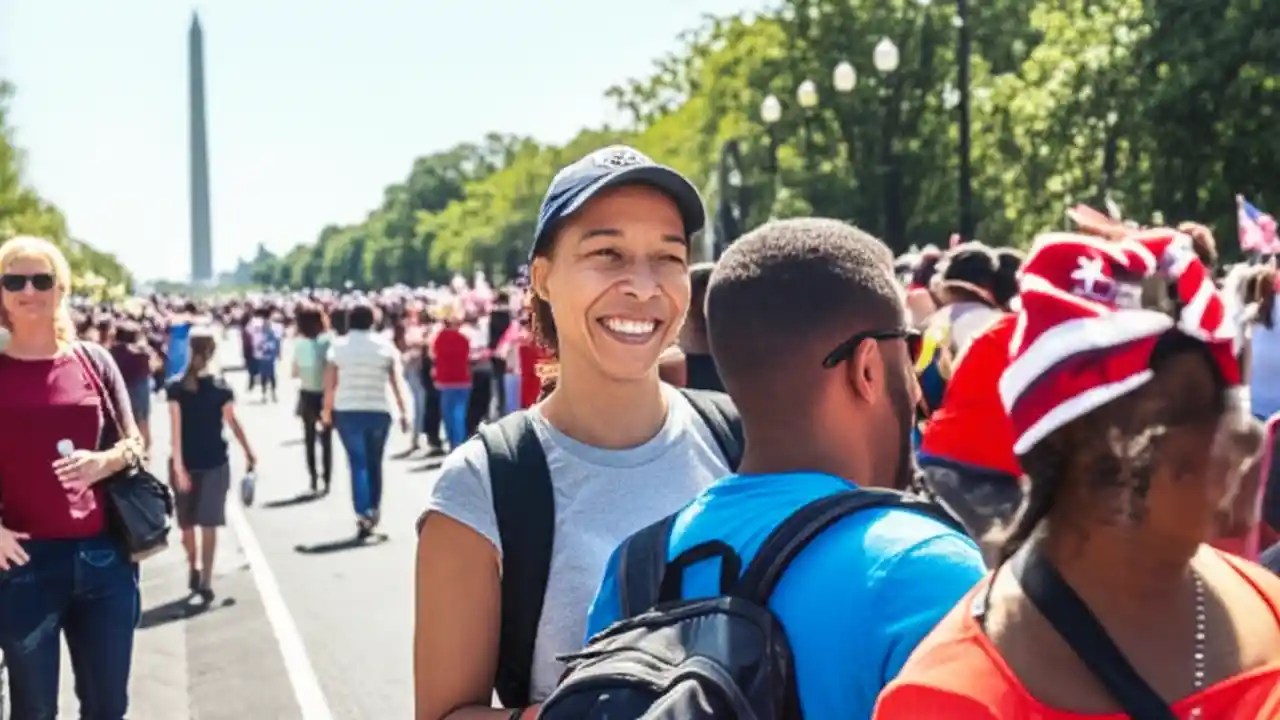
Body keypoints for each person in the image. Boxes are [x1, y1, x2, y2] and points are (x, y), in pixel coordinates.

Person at [584, 218, 986, 718]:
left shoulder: (633, 569)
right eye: (911, 348)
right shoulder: (925, 566)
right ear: (866, 367)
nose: (917, 383)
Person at [874, 230, 1280, 719]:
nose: (1246, 437)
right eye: (1196, 409)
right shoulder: (952, 701)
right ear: (1099, 454)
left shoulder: (1272, 610)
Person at [413, 145, 732, 720]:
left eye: (668, 257)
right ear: (543, 278)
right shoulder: (484, 487)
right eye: (607, 253)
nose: (643, 285)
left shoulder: (738, 436)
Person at [0, 235, 146, 719]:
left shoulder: (93, 361)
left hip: (104, 556)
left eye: (41, 279)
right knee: (34, 710)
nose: (29, 290)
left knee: (107, 708)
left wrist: (102, 463)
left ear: (60, 290)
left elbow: (134, 444)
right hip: (23, 564)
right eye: (13, 279)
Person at [167, 328, 255, 603]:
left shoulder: (176, 387)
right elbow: (232, 422)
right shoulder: (220, 388)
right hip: (215, 461)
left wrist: (179, 466)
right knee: (209, 524)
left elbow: (175, 432)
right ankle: (205, 578)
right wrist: (249, 452)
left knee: (186, 524)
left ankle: (193, 566)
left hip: (185, 461)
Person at [323, 301, 409, 538]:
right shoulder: (385, 346)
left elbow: (330, 382)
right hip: (379, 409)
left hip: (348, 409)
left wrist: (326, 410)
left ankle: (362, 511)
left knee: (357, 462)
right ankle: (374, 506)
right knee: (375, 462)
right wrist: (403, 411)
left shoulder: (338, 347)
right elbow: (395, 382)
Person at [293, 303, 334, 494]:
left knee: (309, 438)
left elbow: (294, 372)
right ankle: (327, 478)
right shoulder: (328, 342)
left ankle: (313, 479)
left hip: (307, 392)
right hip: (325, 393)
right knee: (326, 439)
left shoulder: (299, 344)